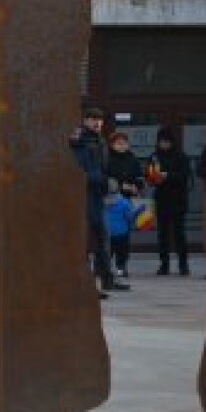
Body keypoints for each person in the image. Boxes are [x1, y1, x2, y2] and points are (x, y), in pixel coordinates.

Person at [69, 106, 126, 293]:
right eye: (93, 119)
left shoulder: (99, 140)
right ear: (85, 120)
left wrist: (109, 181)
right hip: (84, 194)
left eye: (99, 119)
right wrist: (102, 180)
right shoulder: (79, 140)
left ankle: (106, 279)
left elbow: (103, 167)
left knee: (102, 237)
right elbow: (82, 168)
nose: (97, 123)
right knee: (86, 239)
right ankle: (86, 283)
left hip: (97, 194)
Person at [147, 127, 191, 276]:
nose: (164, 144)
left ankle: (183, 264)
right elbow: (149, 177)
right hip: (162, 200)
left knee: (179, 234)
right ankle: (164, 265)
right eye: (161, 141)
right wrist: (153, 177)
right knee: (162, 234)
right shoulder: (154, 156)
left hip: (178, 200)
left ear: (172, 142)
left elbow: (185, 176)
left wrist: (168, 175)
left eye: (167, 141)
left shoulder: (181, 156)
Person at [104, 186, 139, 280]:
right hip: (122, 233)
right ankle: (120, 271)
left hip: (107, 233)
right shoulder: (124, 202)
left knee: (107, 254)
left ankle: (105, 271)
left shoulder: (102, 203)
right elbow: (129, 217)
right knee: (121, 255)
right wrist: (138, 211)